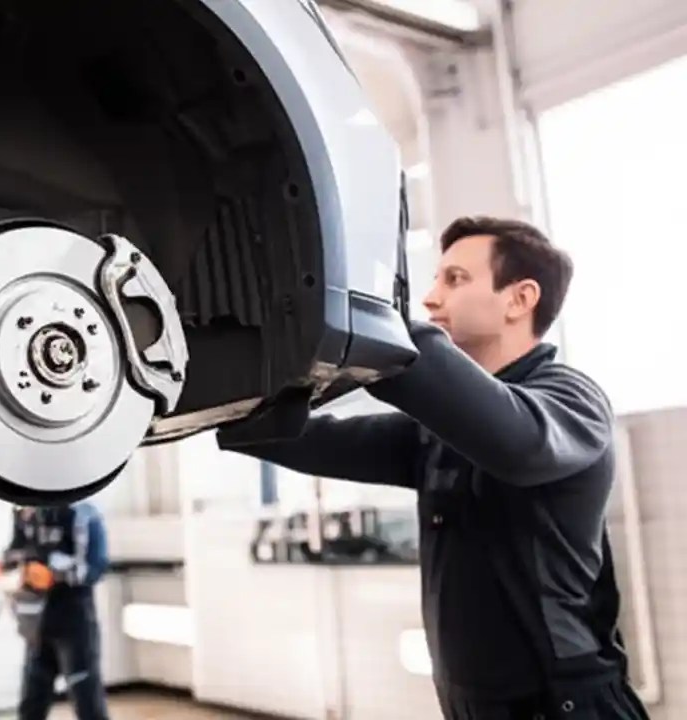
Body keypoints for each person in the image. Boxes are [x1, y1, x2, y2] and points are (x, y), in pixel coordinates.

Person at [218, 217, 649, 720]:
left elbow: (519, 443)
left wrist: (376, 326)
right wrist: (219, 402)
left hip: (567, 705)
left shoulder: (572, 400)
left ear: (520, 298)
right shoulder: (438, 434)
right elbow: (322, 439)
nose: (429, 297)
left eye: (455, 279)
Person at [1, 501, 110, 720]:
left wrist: (52, 570)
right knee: (31, 703)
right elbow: (11, 554)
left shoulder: (83, 514)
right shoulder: (24, 510)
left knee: (86, 698)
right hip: (36, 623)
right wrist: (19, 568)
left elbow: (95, 568)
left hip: (74, 621)